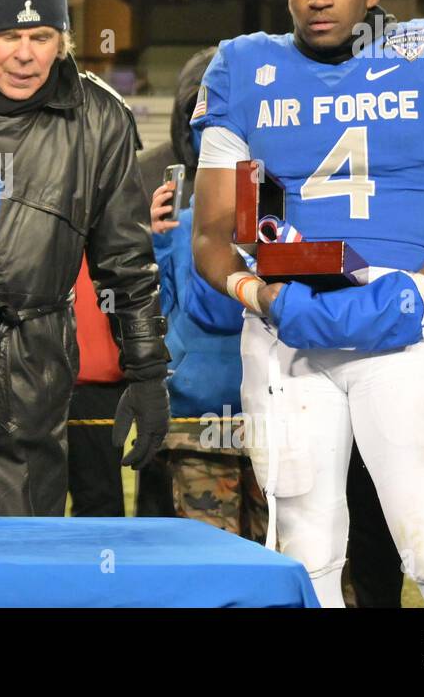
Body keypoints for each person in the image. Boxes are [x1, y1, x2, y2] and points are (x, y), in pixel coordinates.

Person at [190, 0, 424, 608]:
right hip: (285, 328)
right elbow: (215, 231)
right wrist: (259, 294)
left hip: (393, 325)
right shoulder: (244, 67)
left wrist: (412, 293)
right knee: (306, 551)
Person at [0, 0, 170, 516]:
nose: (25, 54)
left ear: (64, 38)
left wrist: (148, 371)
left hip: (37, 366)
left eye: (41, 34)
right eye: (8, 34)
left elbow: (126, 261)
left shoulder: (101, 117)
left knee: (23, 552)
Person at [150, 49, 266, 540]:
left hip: (213, 408)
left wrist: (160, 243)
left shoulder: (184, 220)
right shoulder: (277, 216)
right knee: (276, 555)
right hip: (263, 407)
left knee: (218, 560)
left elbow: (168, 310)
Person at [66, 258, 127, 516]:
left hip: (97, 384)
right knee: (30, 503)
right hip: (30, 380)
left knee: (100, 504)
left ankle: (102, 557)